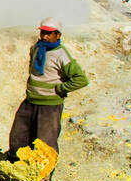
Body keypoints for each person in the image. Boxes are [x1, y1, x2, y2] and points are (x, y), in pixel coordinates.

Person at [6, 18, 88, 161]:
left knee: (46, 143)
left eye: (49, 34)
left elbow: (81, 79)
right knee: (18, 136)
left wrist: (61, 88)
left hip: (50, 106)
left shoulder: (62, 55)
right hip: (30, 101)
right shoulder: (36, 48)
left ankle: (44, 178)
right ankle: (14, 167)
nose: (45, 36)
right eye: (43, 32)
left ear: (58, 35)